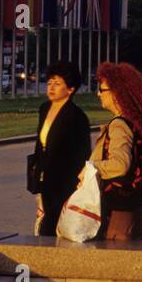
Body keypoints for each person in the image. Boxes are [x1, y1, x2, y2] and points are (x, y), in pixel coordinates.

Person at [89, 62, 142, 241]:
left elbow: (120, 165)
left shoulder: (119, 125)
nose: (98, 94)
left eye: (102, 89)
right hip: (131, 205)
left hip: (118, 210)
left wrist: (90, 167)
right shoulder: (132, 122)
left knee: (118, 259)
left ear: (117, 93)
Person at [30, 61, 93, 236]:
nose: (51, 87)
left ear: (71, 88)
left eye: (57, 84)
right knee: (46, 222)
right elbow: (40, 146)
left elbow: (83, 153)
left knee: (52, 226)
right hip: (44, 180)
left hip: (65, 183)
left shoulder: (77, 116)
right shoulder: (44, 109)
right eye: (49, 82)